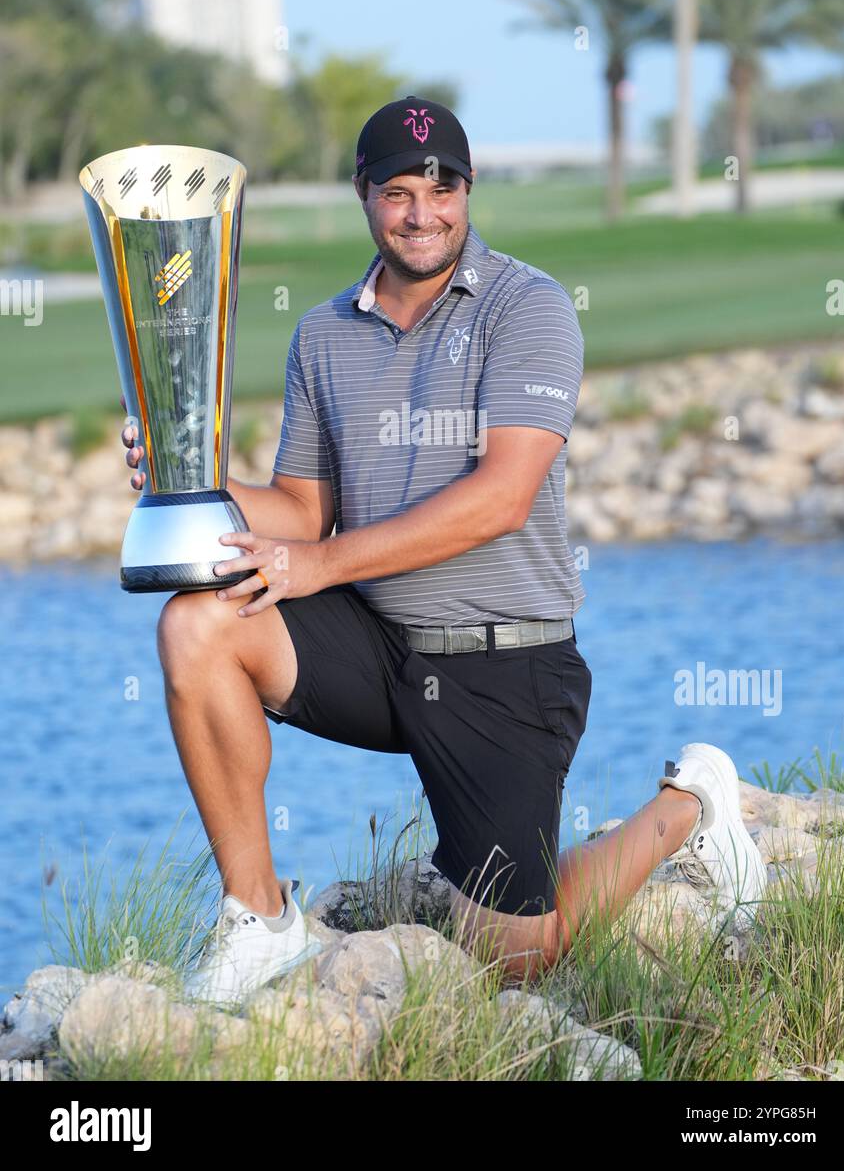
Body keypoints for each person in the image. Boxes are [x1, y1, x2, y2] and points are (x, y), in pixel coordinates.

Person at [121, 95, 766, 1005]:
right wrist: (191, 472)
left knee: (517, 958)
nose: (424, 211)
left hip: (507, 661)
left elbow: (501, 500)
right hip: (384, 651)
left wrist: (317, 568)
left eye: (443, 186)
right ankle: (259, 917)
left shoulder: (529, 308)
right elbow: (303, 512)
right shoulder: (322, 335)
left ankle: (691, 807)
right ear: (364, 197)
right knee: (197, 623)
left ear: (469, 189)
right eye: (399, 191)